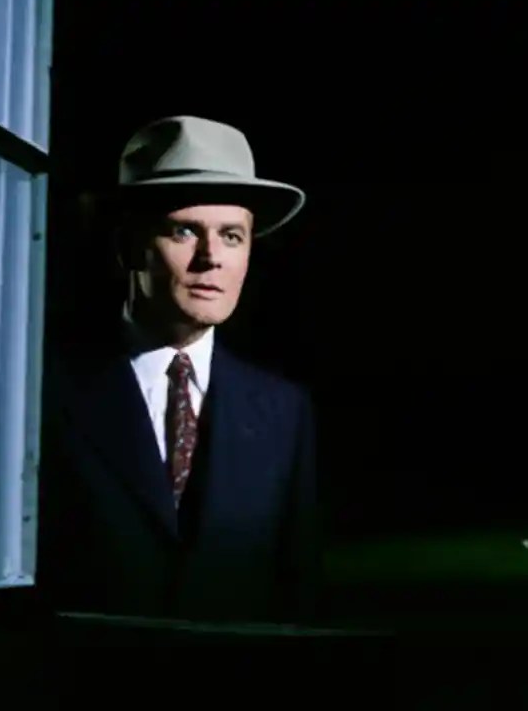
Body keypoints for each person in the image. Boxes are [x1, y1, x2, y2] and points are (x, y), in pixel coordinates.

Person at [36, 115, 320, 624]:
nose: (211, 257)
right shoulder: (44, 388)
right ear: (128, 245)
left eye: (232, 236)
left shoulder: (285, 411)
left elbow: (296, 595)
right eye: (184, 230)